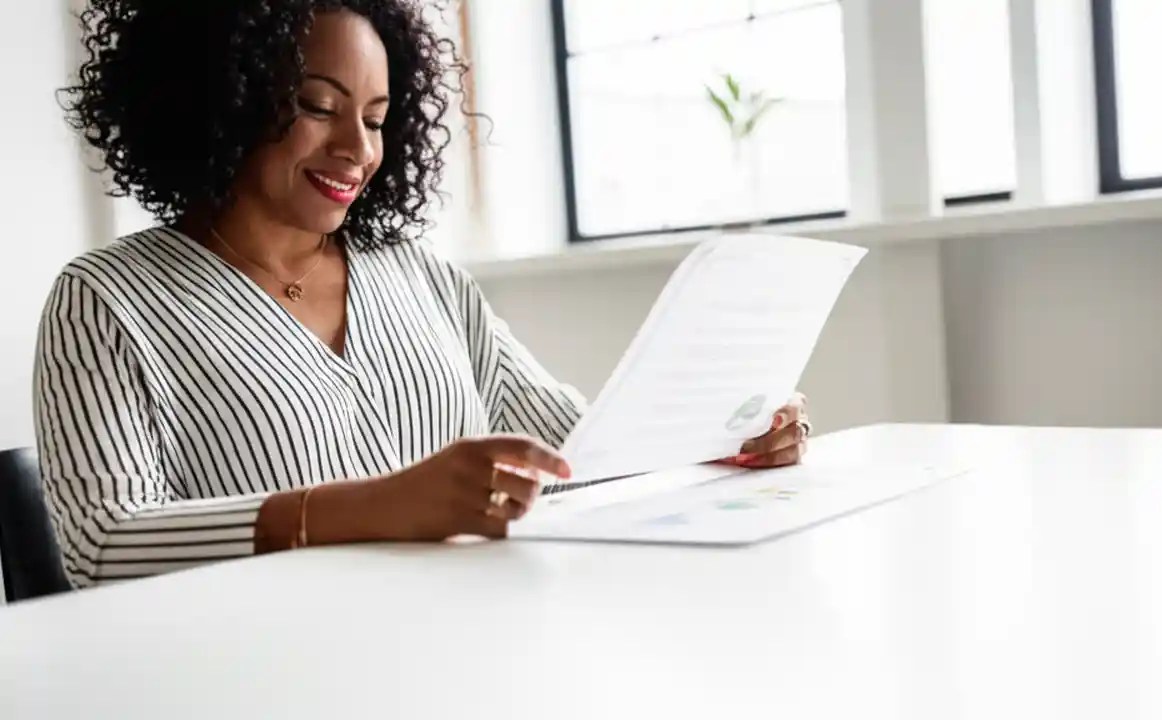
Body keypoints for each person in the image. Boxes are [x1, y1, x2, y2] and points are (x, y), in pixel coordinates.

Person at [37, 0, 811, 590]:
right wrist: (370, 507)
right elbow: (102, 543)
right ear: (223, 94)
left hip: (471, 646)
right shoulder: (108, 300)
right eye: (318, 107)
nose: (358, 149)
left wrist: (723, 434)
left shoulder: (423, 278)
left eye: (376, 120)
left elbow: (575, 451)